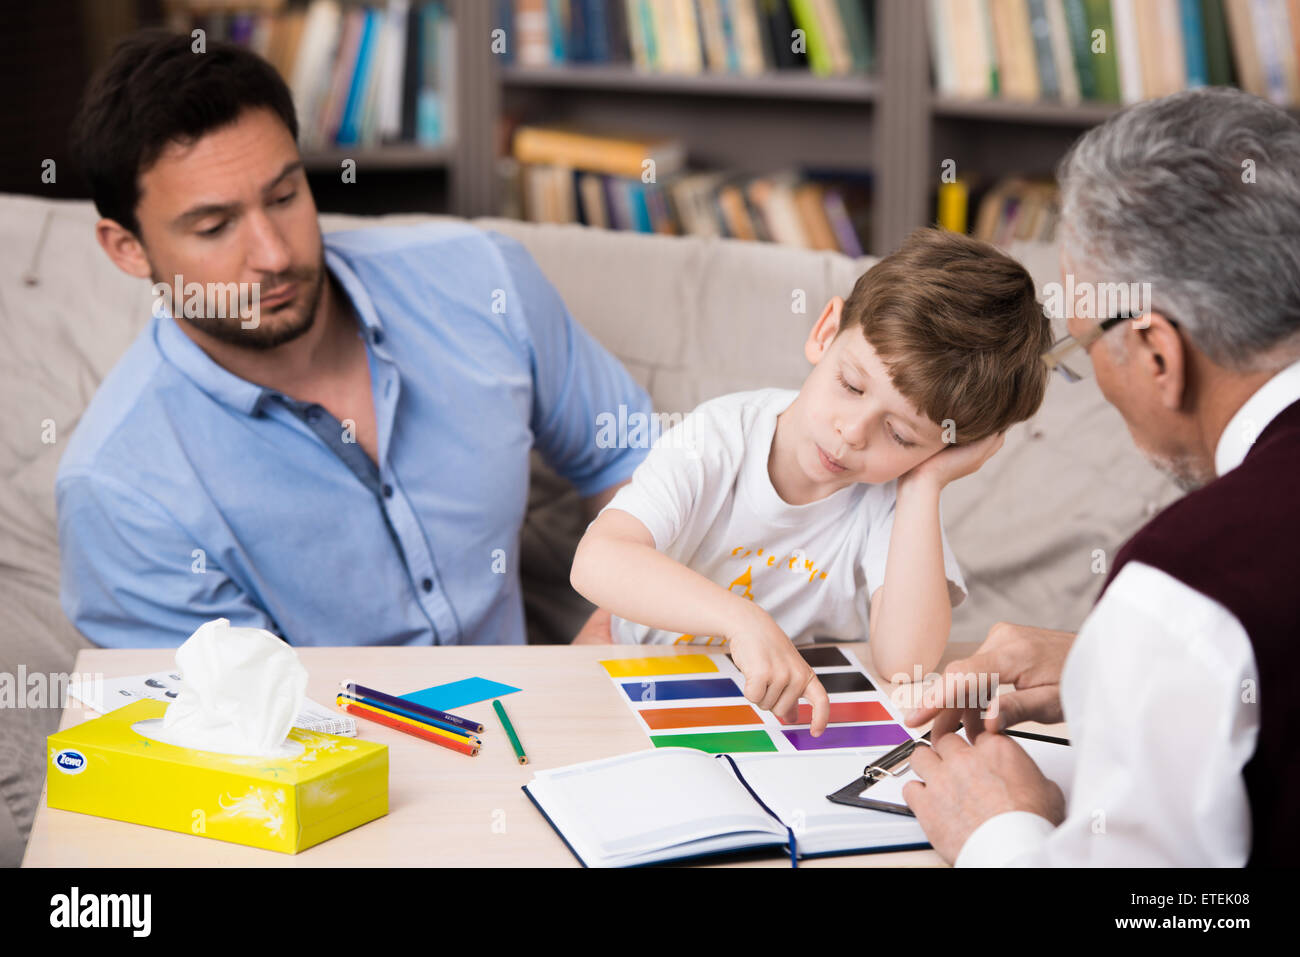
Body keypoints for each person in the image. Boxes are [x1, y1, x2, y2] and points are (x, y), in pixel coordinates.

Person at [56, 30, 650, 648]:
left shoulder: (481, 277)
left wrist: (618, 627)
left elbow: (629, 456)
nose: (275, 253)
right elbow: (236, 726)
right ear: (127, 248)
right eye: (214, 226)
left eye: (285, 196)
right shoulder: (119, 493)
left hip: (554, 725)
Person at [902, 87, 1300, 867]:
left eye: (1086, 346)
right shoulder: (1190, 622)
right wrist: (1107, 665)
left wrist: (998, 829)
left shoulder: (1184, 591)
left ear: (1157, 352)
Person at [571, 228, 1053, 733]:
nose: (852, 432)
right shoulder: (718, 437)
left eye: (902, 435)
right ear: (825, 331)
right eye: (851, 385)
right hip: (641, 676)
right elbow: (597, 560)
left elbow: (906, 665)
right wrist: (744, 620)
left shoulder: (891, 498)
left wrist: (923, 486)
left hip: (777, 715)